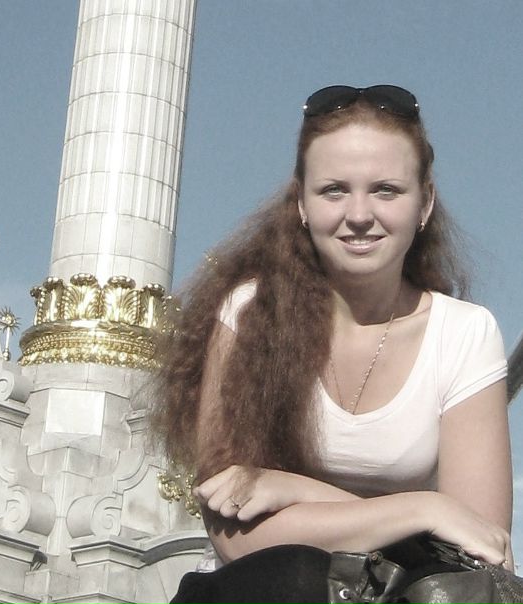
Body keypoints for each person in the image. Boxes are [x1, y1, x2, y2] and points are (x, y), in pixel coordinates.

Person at [150, 85, 513, 603]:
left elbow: (479, 550)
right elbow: (235, 535)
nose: (359, 214)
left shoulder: (464, 333)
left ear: (425, 203)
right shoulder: (249, 312)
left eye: (386, 190)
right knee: (297, 573)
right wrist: (423, 509)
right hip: (262, 592)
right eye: (334, 190)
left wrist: (296, 489)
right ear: (301, 202)